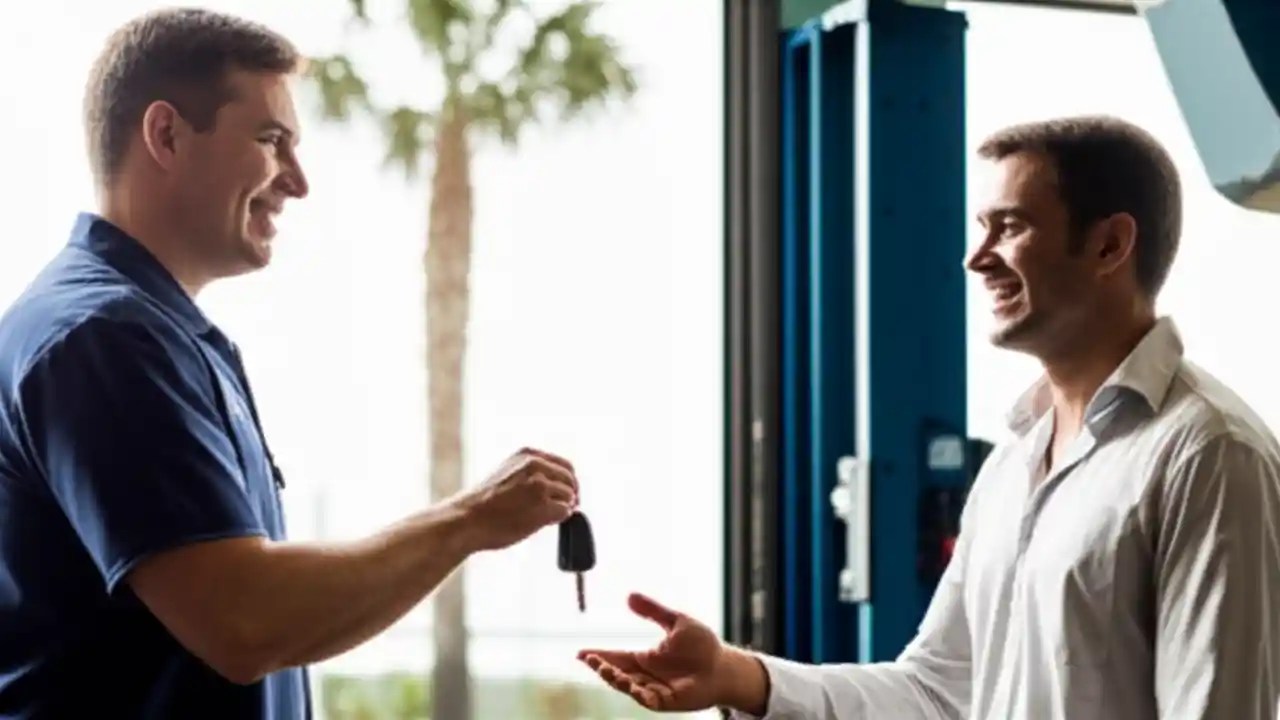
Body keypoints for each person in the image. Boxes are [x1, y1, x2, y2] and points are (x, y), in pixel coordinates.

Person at [578, 115, 1280, 719]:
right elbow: (936, 692)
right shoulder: (1013, 464)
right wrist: (739, 677)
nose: (978, 258)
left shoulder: (1210, 454)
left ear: (1109, 245)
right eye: (983, 228)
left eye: (1010, 227)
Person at [0, 8, 579, 719]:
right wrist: (471, 520)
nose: (297, 181)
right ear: (166, 135)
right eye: (272, 140)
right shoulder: (101, 338)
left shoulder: (149, 334)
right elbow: (246, 623)